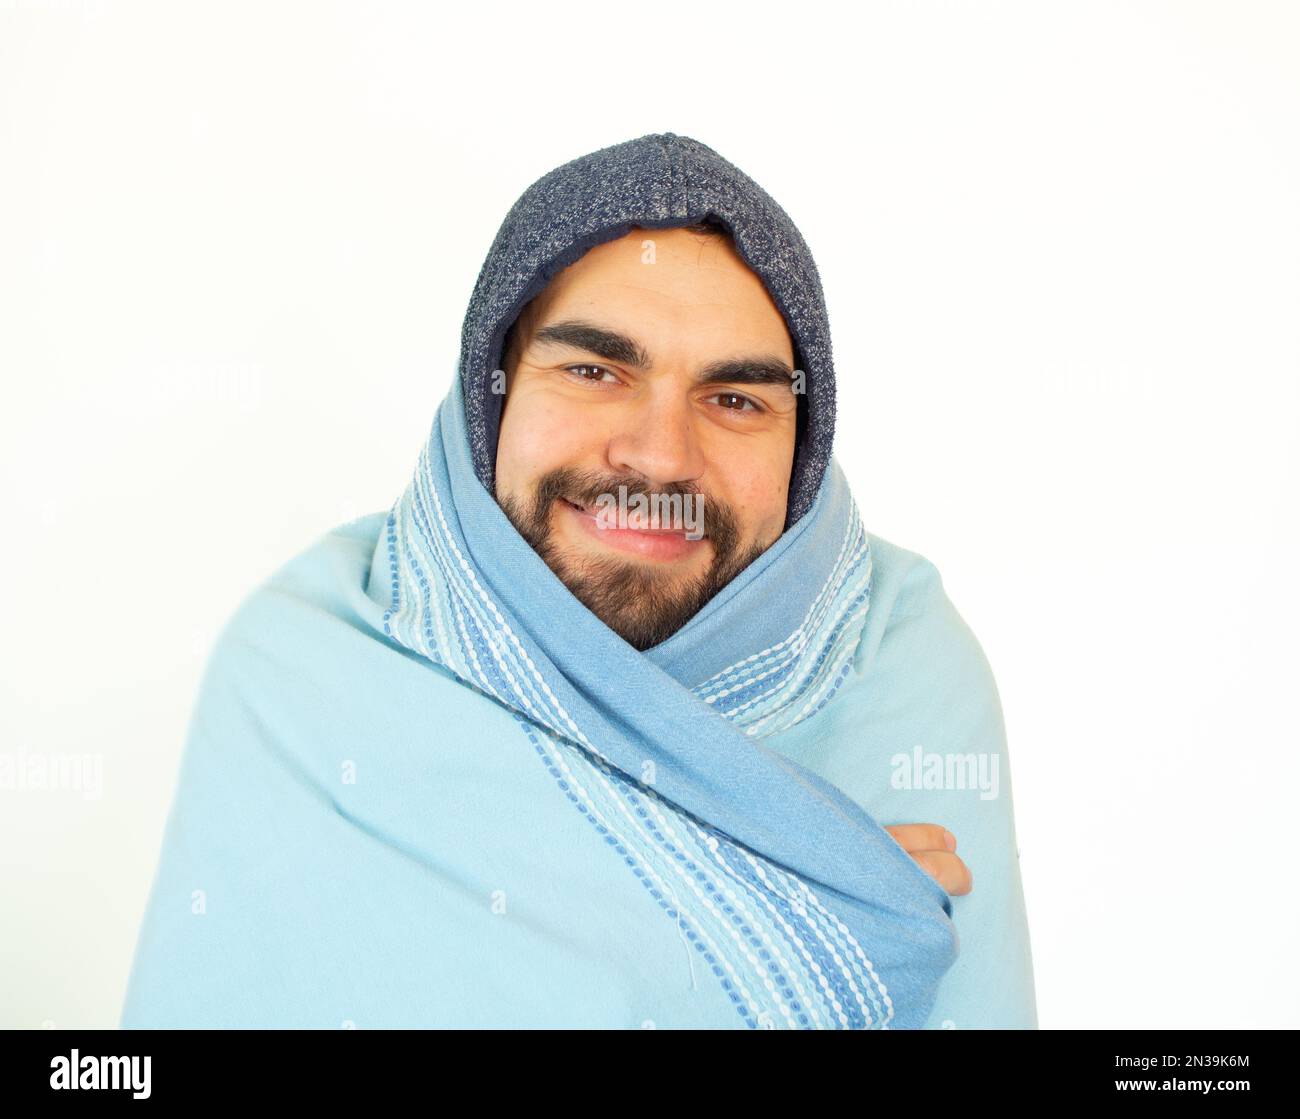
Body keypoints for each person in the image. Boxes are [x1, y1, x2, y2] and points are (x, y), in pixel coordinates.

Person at [121, 132, 1035, 1029]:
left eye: (735, 399)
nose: (659, 456)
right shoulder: (309, 666)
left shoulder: (902, 667)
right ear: (496, 391)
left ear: (804, 450)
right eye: (594, 369)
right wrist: (786, 946)